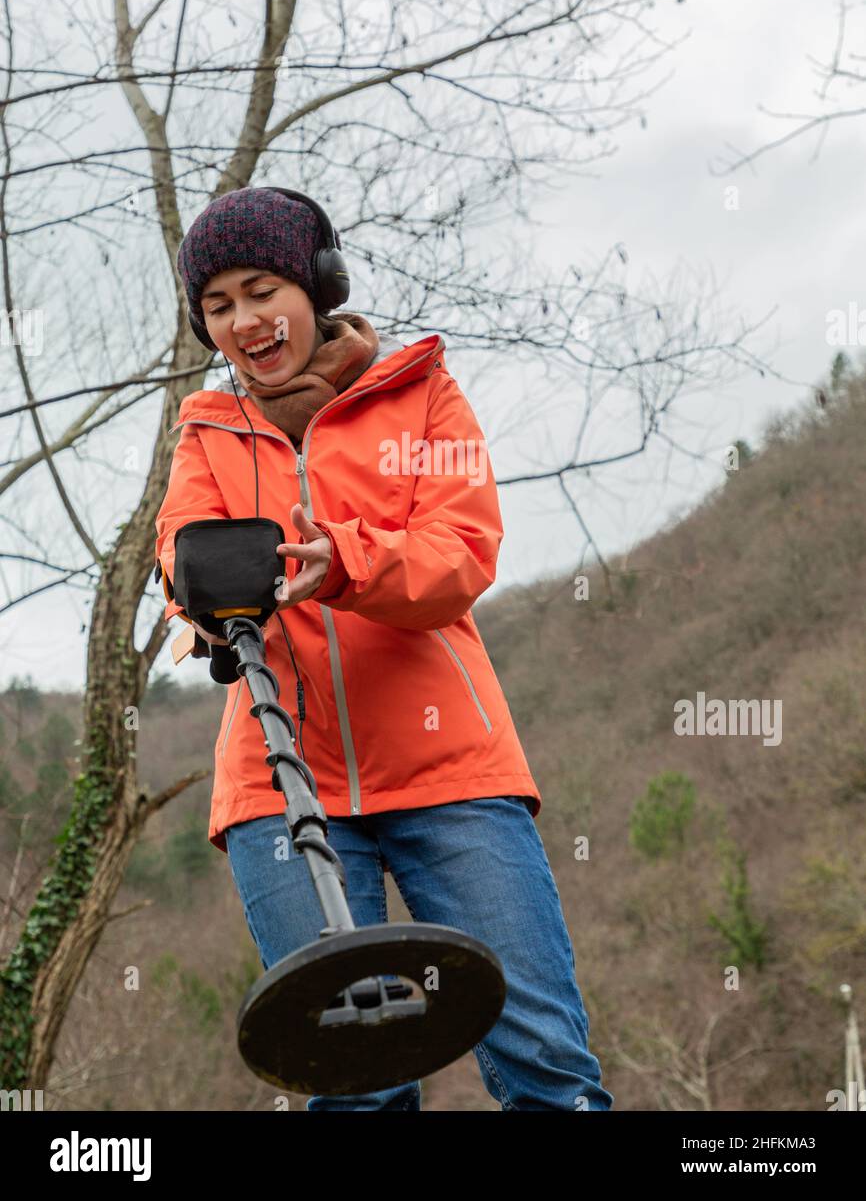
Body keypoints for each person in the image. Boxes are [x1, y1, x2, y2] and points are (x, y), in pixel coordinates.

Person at [154, 185, 613, 1112]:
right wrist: (200, 601)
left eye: (261, 290)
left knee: (545, 1066)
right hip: (281, 786)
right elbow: (184, 556)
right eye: (218, 306)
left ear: (319, 285)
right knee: (354, 1090)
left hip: (454, 775)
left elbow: (461, 553)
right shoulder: (204, 432)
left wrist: (347, 562)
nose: (244, 322)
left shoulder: (423, 394)